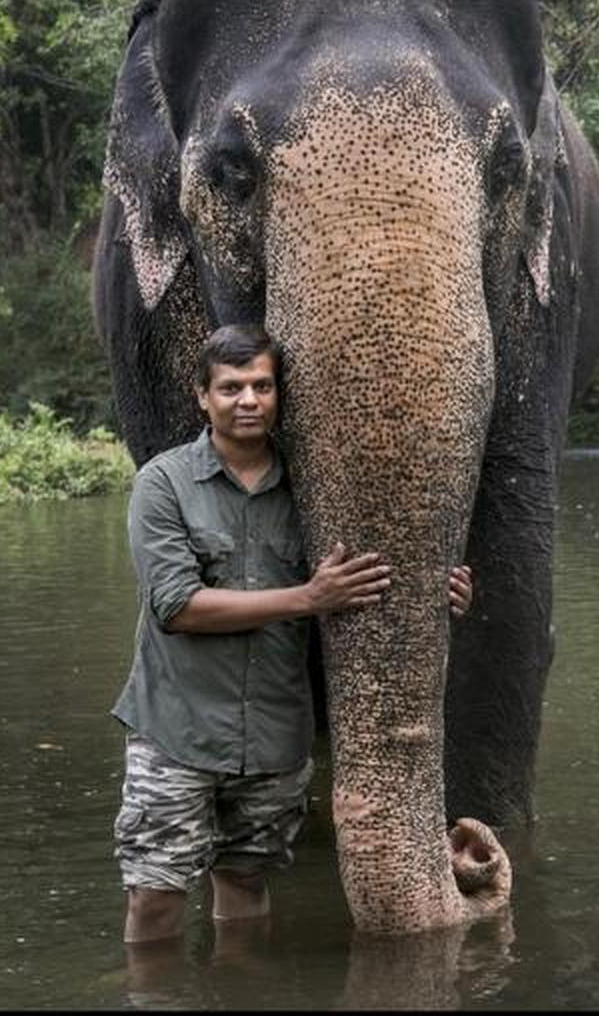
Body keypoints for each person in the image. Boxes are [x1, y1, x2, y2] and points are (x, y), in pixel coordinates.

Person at [112, 322, 473, 944]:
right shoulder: (163, 484)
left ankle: (244, 990)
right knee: (156, 892)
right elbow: (177, 607)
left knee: (247, 885)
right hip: (178, 730)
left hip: (275, 733)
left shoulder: (313, 491)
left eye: (261, 385)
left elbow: (368, 578)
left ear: (279, 395)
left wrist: (436, 595)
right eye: (231, 388)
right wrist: (307, 598)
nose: (248, 400)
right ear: (202, 396)